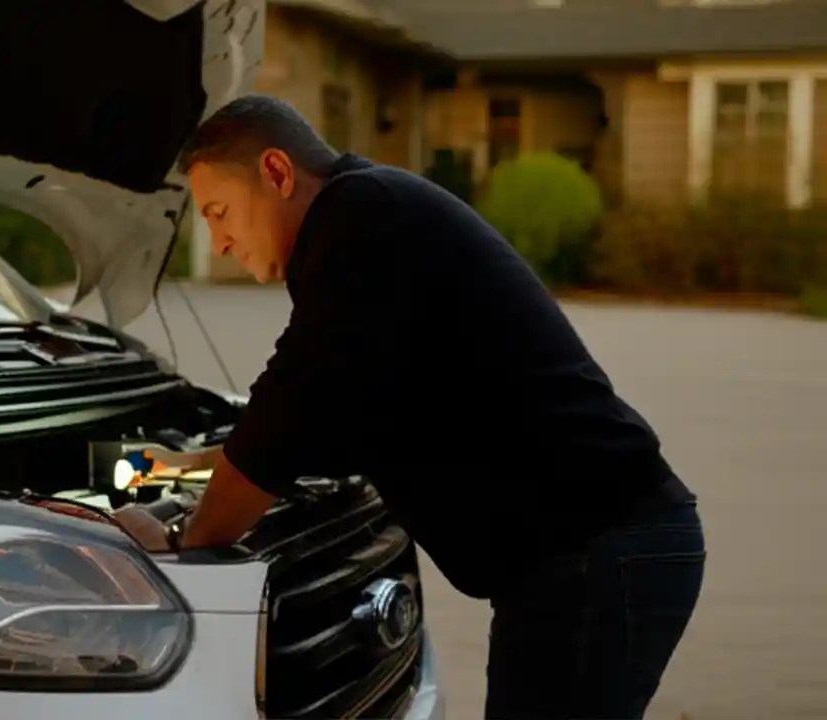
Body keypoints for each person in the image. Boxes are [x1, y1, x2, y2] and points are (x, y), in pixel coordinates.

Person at [113, 94, 706, 720]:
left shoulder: (359, 220)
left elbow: (289, 407)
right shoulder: (372, 217)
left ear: (278, 173)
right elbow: (321, 425)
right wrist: (187, 466)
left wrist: (183, 538)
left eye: (218, 212)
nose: (221, 240)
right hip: (586, 554)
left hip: (595, 551)